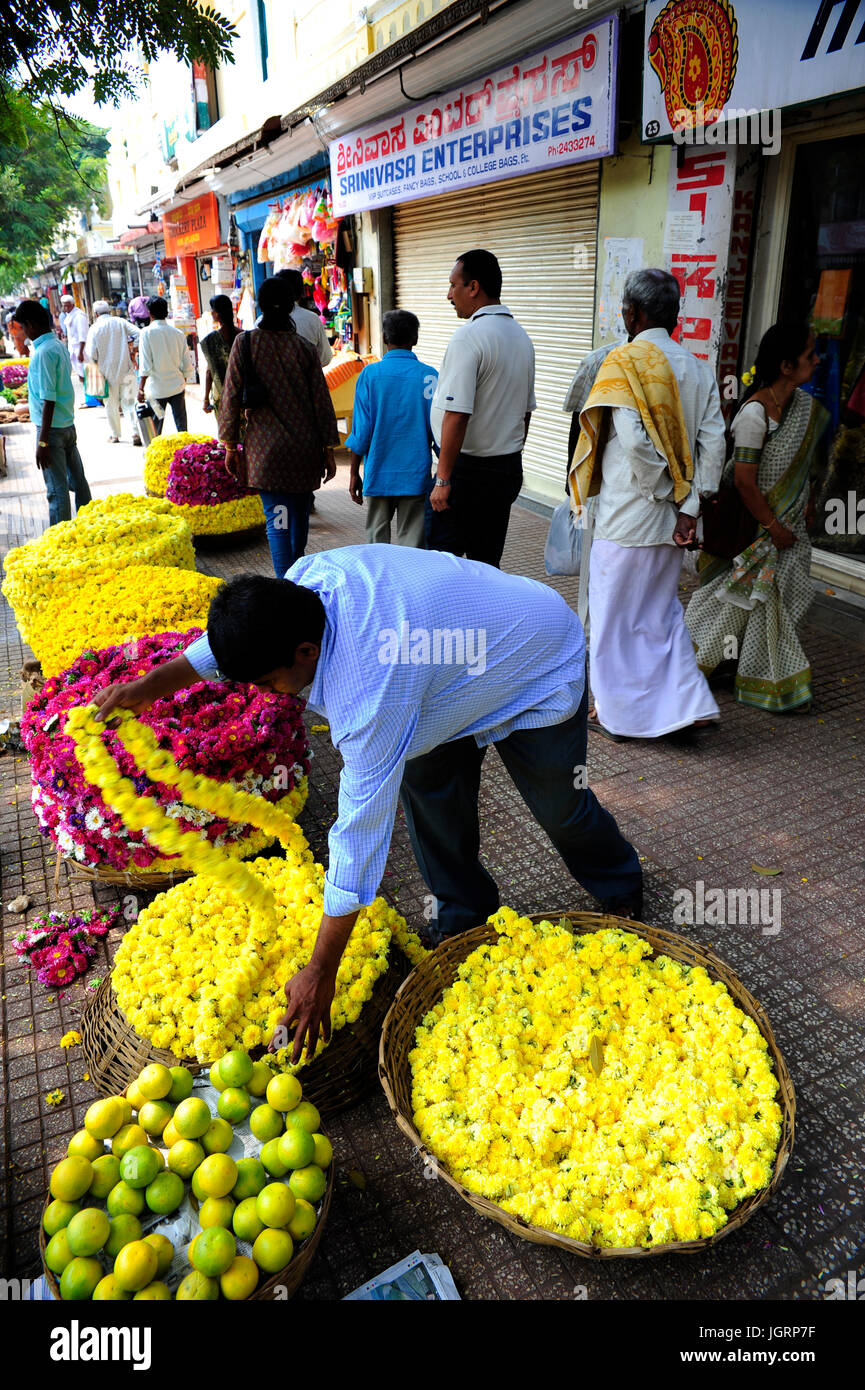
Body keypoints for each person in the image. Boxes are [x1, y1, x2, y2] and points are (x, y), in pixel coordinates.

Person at [91, 547, 644, 1061]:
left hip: (533, 660)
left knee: (560, 808)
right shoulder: (302, 591)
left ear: (306, 652)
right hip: (442, 677)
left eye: (268, 681)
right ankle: (463, 914)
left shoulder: (369, 692)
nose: (265, 694)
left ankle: (619, 883)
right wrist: (151, 685)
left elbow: (359, 833)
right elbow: (230, 647)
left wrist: (319, 970)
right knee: (431, 797)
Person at [570, 268, 725, 741]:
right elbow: (715, 443)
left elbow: (636, 444)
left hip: (628, 516)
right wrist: (689, 507)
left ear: (632, 313)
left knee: (614, 617)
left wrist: (666, 491)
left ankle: (617, 713)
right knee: (660, 614)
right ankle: (684, 703)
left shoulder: (623, 362)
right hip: (676, 521)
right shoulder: (698, 367)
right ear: (674, 315)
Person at [684, 323, 829, 713]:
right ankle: (771, 679)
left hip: (789, 527)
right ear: (785, 365)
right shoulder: (754, 413)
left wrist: (808, 501)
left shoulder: (803, 408)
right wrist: (774, 527)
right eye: (810, 354)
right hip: (759, 530)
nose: (818, 360)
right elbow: (746, 482)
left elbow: (807, 467)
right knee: (746, 602)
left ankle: (725, 663)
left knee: (772, 599)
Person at [217, 275, 340, 576]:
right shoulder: (304, 348)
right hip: (303, 451)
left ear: (260, 305)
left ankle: (285, 584)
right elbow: (321, 402)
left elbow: (230, 396)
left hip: (265, 454)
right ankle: (296, 579)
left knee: (278, 520)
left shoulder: (245, 343)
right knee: (298, 518)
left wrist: (230, 446)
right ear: (290, 306)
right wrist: (329, 449)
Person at [427, 249, 536, 567]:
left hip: (467, 474)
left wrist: (443, 479)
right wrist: (509, 458)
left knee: (443, 563)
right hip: (504, 469)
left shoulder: (469, 337)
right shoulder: (521, 337)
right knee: (486, 563)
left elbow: (457, 414)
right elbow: (525, 413)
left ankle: (450, 618)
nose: (449, 295)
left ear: (473, 287)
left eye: (453, 286)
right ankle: (484, 617)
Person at [346, 310, 437, 547]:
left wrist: (354, 472)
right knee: (413, 544)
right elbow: (439, 431)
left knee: (377, 544)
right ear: (415, 339)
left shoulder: (369, 375)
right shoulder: (429, 376)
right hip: (415, 474)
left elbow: (361, 431)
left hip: (378, 473)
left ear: (385, 338)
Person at [12, 300, 91, 527]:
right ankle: (89, 524)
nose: (24, 332)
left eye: (23, 327)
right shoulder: (56, 346)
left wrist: (43, 442)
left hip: (52, 431)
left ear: (32, 325)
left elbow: (49, 399)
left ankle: (60, 543)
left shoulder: (44, 353)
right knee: (78, 481)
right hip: (66, 425)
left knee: (56, 490)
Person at [84, 299, 139, 443]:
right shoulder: (120, 322)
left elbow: (91, 354)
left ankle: (115, 435)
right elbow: (139, 333)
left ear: (95, 314)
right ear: (109, 311)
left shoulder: (94, 329)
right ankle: (135, 433)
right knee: (130, 402)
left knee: (111, 404)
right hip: (127, 369)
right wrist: (133, 350)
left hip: (106, 373)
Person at [137, 295, 191, 433]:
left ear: (149, 313)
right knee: (182, 428)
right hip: (177, 387)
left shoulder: (146, 333)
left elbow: (145, 365)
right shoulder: (178, 333)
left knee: (156, 430)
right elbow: (187, 363)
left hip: (156, 389)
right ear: (166, 313)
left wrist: (140, 389)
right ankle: (185, 453)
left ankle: (156, 454)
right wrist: (182, 381)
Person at [200, 294, 240, 415]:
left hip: (223, 396)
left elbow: (210, 372)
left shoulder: (211, 340)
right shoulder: (244, 335)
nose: (211, 313)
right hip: (243, 393)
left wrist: (206, 399)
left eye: (212, 309)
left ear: (217, 313)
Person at [59, 295, 88, 391]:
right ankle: (89, 396)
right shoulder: (69, 315)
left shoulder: (79, 315)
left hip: (80, 349)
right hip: (73, 348)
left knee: (85, 374)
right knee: (80, 374)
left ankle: (92, 398)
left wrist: (80, 352)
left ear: (72, 305)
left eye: (67, 306)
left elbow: (82, 335)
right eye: (64, 306)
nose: (65, 308)